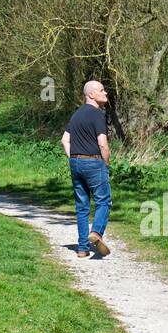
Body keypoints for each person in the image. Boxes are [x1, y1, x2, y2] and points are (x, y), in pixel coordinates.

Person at [60, 80, 113, 258]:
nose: (105, 93)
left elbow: (64, 140)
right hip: (94, 162)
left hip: (75, 162)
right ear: (91, 94)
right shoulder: (98, 114)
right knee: (104, 201)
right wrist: (105, 163)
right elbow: (102, 143)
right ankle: (97, 232)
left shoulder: (76, 115)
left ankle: (82, 248)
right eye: (102, 90)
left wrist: (74, 158)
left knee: (82, 206)